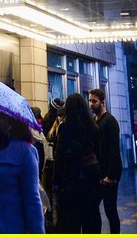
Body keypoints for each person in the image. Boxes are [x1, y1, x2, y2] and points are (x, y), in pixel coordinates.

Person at [52, 92, 101, 233]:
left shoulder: (65, 127)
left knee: (71, 220)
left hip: (72, 178)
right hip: (91, 174)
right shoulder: (93, 127)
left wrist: (56, 181)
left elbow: (59, 156)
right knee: (90, 216)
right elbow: (99, 152)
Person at [88, 88, 122, 234]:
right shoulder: (94, 121)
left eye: (94, 101)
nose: (91, 104)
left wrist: (111, 175)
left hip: (109, 174)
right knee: (93, 206)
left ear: (102, 102)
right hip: (98, 172)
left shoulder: (110, 122)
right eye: (90, 101)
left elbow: (114, 150)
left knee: (110, 209)